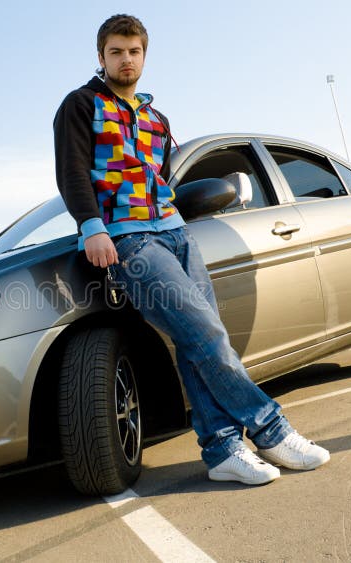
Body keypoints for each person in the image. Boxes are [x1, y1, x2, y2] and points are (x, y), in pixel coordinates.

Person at [53, 14, 330, 485]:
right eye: (116, 51)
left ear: (144, 56)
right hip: (129, 240)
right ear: (100, 57)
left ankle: (222, 451)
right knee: (207, 334)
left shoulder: (157, 119)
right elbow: (72, 170)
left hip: (177, 234)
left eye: (134, 51)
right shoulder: (81, 105)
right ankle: (271, 429)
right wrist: (92, 226)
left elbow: (161, 180)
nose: (125, 59)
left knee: (198, 340)